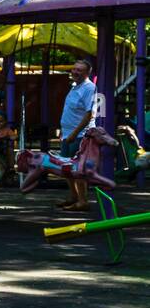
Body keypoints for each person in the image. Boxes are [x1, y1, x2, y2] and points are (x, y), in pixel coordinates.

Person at [58, 58, 96, 211]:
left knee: (77, 169)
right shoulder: (75, 86)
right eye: (74, 69)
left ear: (87, 73)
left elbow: (89, 114)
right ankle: (73, 196)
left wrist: (74, 133)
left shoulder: (89, 88)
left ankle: (82, 200)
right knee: (65, 167)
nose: (75, 72)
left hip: (79, 135)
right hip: (68, 133)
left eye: (79, 70)